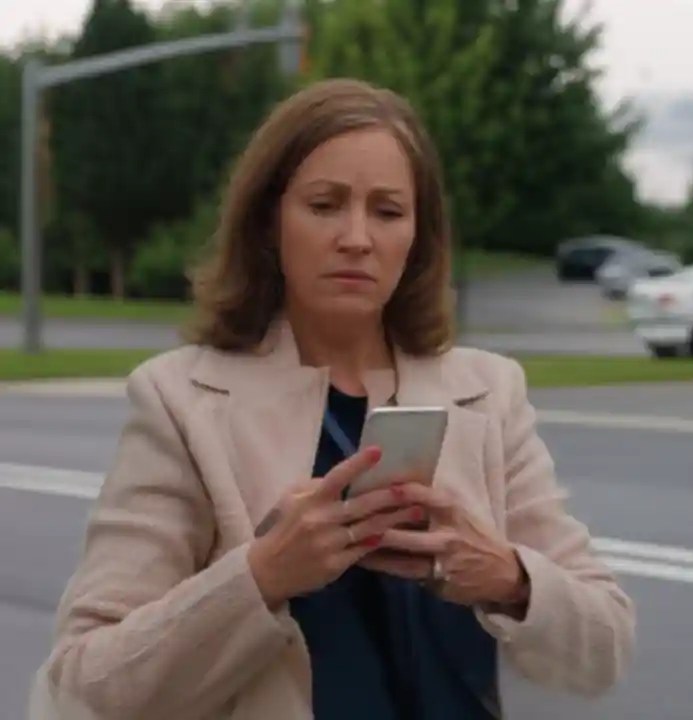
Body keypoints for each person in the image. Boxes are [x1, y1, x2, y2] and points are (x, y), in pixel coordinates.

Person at [28, 78, 635, 720]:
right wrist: (260, 576)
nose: (356, 237)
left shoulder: (488, 394)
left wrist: (509, 577)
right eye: (324, 205)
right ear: (269, 222)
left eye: (387, 211)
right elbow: (85, 688)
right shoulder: (182, 402)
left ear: (418, 237)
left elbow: (605, 648)